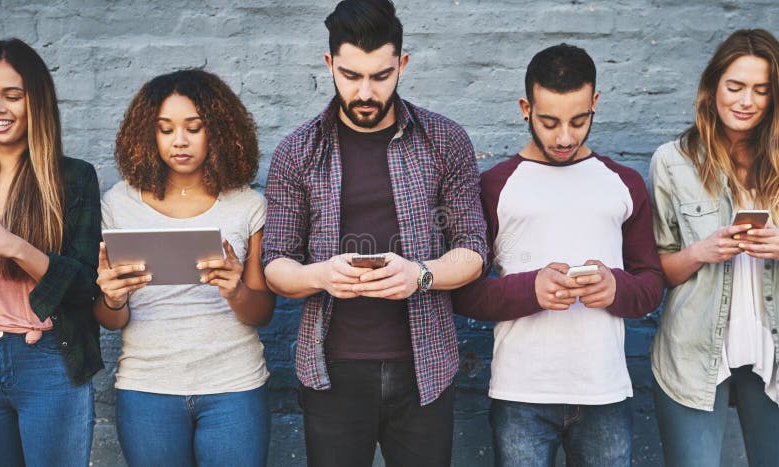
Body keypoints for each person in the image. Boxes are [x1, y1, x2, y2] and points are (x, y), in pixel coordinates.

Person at [261, 0, 487, 465]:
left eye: (381, 76)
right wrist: (322, 276)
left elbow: (474, 249)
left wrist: (419, 276)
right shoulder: (297, 152)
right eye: (350, 75)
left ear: (402, 64)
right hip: (331, 372)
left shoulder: (445, 141)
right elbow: (275, 264)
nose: (365, 92)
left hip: (425, 367)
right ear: (329, 64)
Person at [452, 44, 664, 467]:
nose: (564, 137)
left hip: (605, 392)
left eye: (578, 120)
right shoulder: (494, 185)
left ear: (595, 103)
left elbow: (652, 284)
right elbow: (463, 294)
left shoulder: (623, 183)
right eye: (549, 122)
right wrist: (530, 289)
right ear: (525, 108)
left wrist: (615, 288)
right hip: (520, 395)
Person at [94, 69, 274, 467]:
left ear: (220, 132)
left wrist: (235, 291)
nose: (179, 141)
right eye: (165, 129)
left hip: (234, 386)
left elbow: (262, 313)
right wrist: (113, 297)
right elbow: (110, 320)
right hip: (147, 387)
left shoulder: (246, 205)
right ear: (147, 135)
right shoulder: (118, 204)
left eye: (194, 127)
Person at [649, 28, 779, 467]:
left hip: (772, 352)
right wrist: (701, 252)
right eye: (736, 86)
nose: (746, 101)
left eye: (761, 90)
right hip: (693, 351)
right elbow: (656, 273)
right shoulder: (673, 161)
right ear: (713, 88)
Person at [0, 38, 102, 466]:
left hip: (49, 357)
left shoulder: (74, 178)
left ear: (37, 102)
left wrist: (12, 245)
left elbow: (88, 286)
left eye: (12, 96)